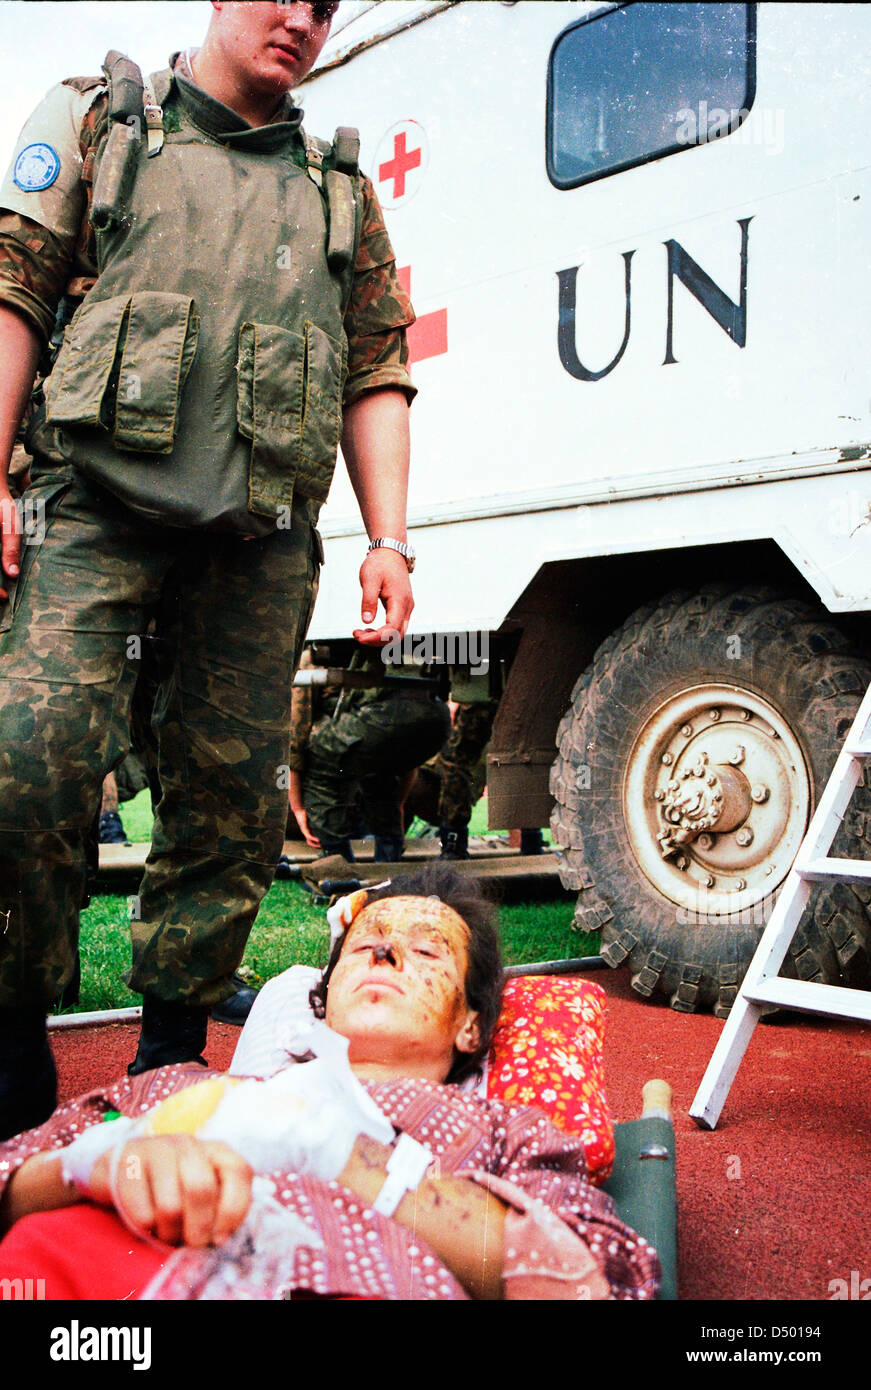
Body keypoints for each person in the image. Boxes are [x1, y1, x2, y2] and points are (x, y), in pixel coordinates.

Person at [0, 1, 417, 1140]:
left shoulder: (336, 189)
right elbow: (15, 293)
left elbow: (376, 366)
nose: (300, 18)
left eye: (325, 6)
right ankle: (11, 1037)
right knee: (27, 762)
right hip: (87, 511)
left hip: (258, 535)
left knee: (227, 806)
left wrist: (389, 536)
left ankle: (169, 1052)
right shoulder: (99, 124)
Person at [0, 867, 660, 1300]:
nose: (385, 950)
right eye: (366, 941)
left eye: (427, 950)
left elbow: (593, 1279)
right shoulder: (172, 1091)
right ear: (323, 997)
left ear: (469, 1027)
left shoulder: (500, 1130)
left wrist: (330, 1153)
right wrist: (103, 1162)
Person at [288, 647, 450, 862]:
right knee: (378, 772)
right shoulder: (398, 643)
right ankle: (389, 862)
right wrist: (398, 806)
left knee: (318, 767)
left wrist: (298, 807)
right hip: (436, 720)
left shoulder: (311, 656)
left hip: (380, 723)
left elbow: (296, 734)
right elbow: (403, 757)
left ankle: (337, 867)